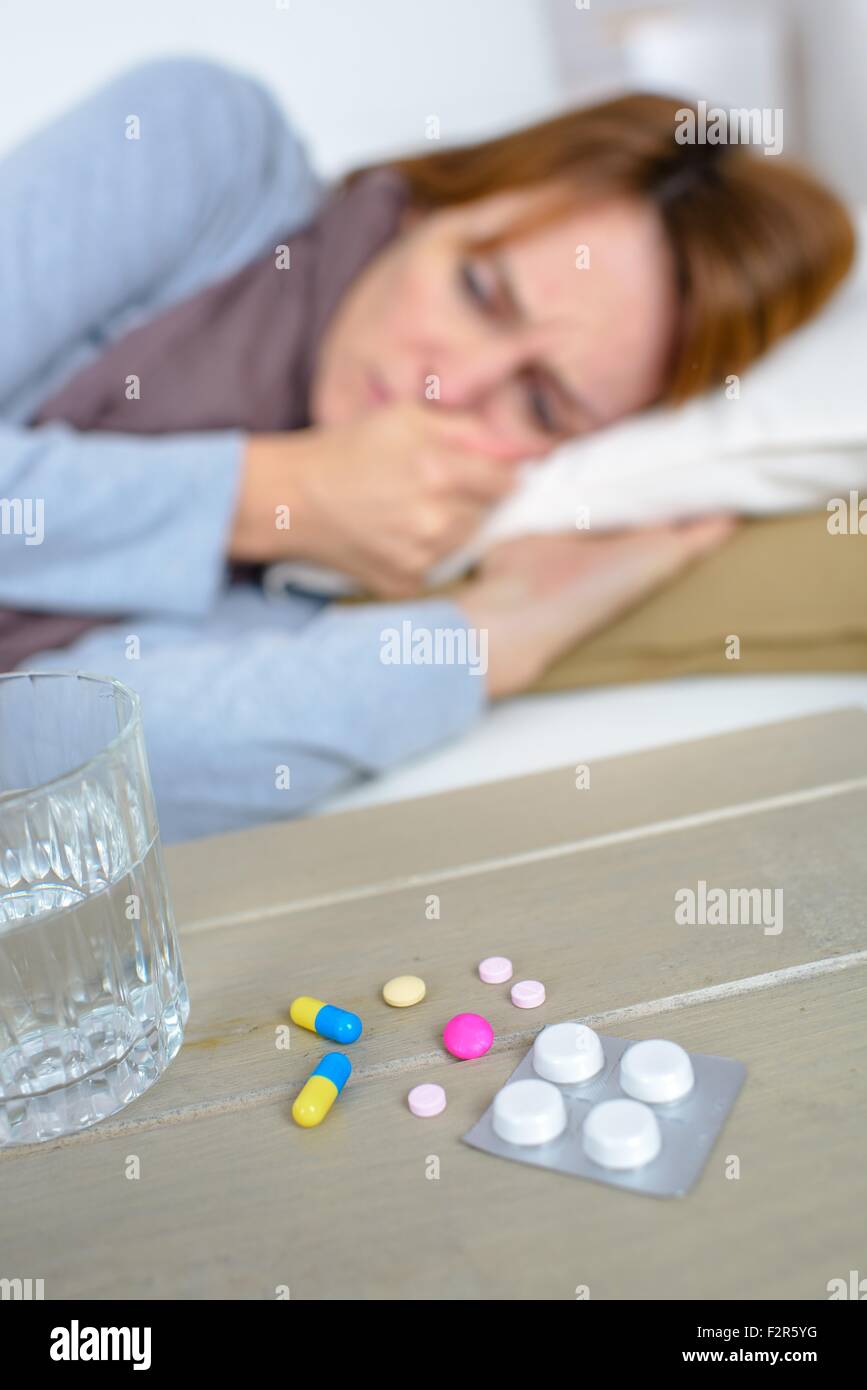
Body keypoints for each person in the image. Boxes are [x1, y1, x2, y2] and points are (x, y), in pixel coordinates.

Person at [0, 61, 854, 840]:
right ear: (434, 203)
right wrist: (263, 494)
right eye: (480, 291)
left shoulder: (385, 545)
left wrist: (487, 634)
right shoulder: (203, 143)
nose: (451, 383)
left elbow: (42, 763)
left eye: (539, 401)